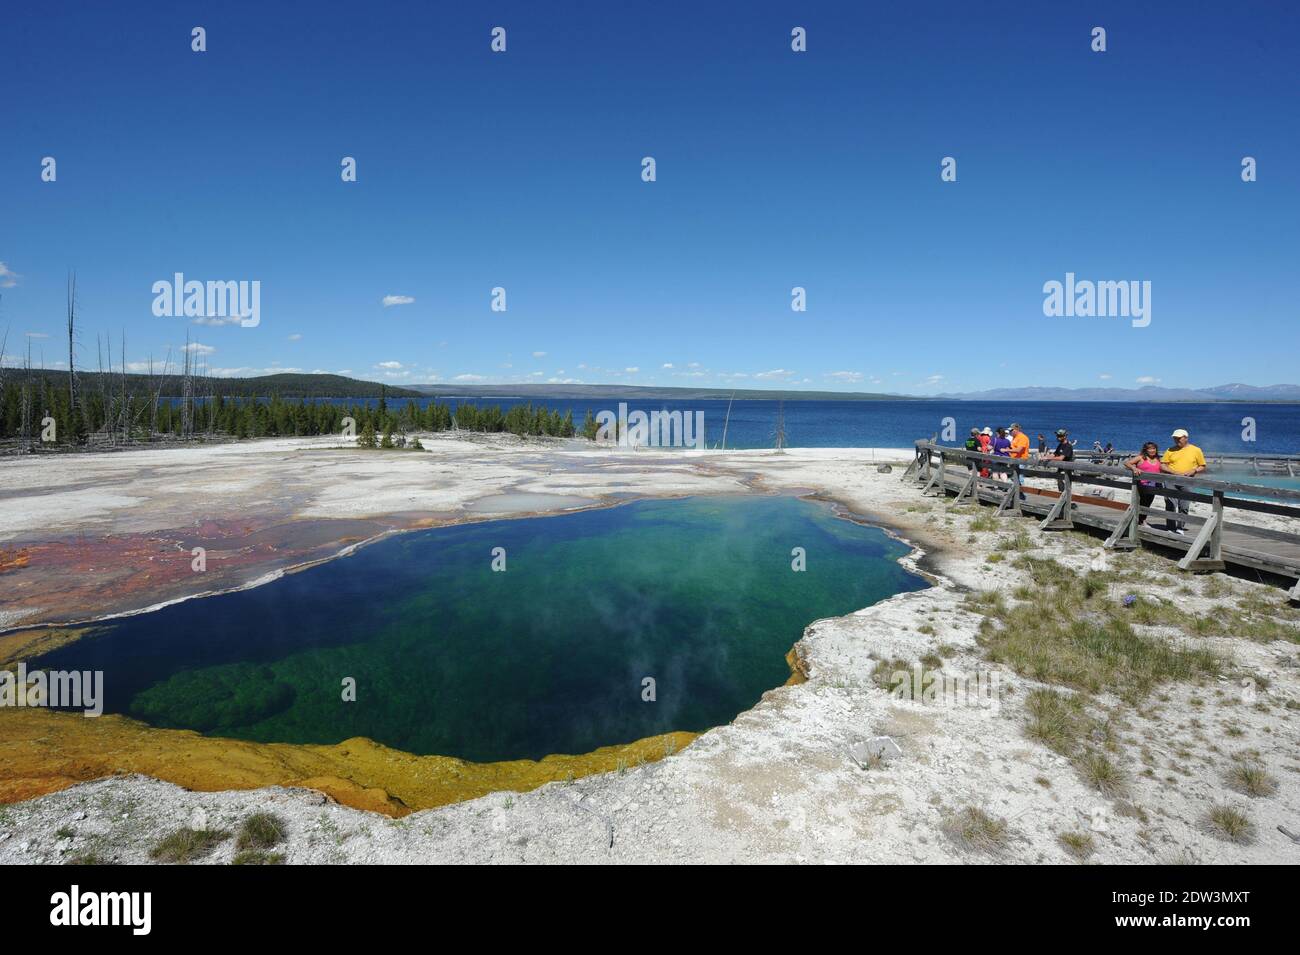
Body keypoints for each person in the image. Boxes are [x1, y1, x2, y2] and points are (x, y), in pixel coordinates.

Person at [1161, 428, 1207, 534]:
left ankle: (1180, 527)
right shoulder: (1170, 450)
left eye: (1178, 438)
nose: (1176, 440)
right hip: (1171, 480)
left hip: (1188, 481)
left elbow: (1202, 466)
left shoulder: (1196, 450)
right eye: (1175, 438)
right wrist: (1173, 472)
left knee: (1185, 505)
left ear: (1186, 438)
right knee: (1170, 504)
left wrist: (1194, 470)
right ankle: (1170, 527)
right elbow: (1163, 465)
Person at [1124, 441, 1165, 525]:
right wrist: (1134, 468)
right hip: (1142, 484)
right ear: (1146, 450)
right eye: (1149, 449)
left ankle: (1142, 520)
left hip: (1154, 485)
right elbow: (1127, 463)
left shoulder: (1158, 459)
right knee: (1142, 502)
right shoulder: (1140, 457)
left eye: (1154, 448)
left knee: (1148, 503)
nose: (1152, 450)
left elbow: (1161, 470)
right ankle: (1138, 520)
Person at [1040, 427, 1075, 492]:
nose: (1058, 437)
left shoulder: (1068, 446)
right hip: (1060, 469)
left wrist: (1048, 458)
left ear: (1064, 436)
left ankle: (1065, 499)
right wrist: (1045, 457)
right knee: (1060, 487)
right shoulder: (1060, 445)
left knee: (1066, 489)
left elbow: (1061, 458)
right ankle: (1062, 498)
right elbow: (1054, 454)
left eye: (1060, 436)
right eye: (1057, 435)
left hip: (1067, 470)